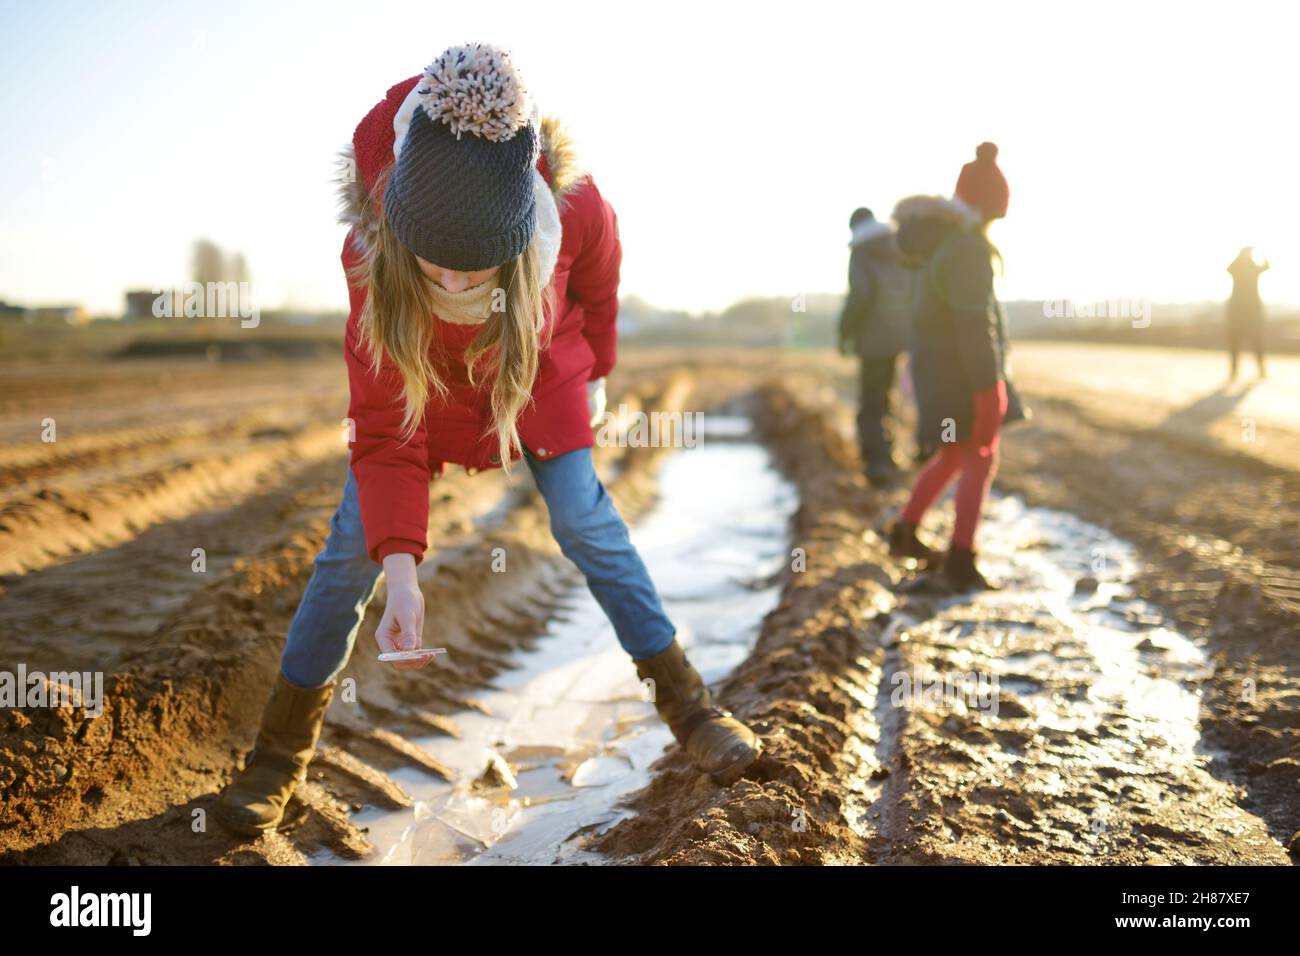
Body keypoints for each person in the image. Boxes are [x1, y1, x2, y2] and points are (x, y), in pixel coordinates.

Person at [215, 45, 761, 836]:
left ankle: (692, 707)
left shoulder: (575, 209)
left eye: (479, 272)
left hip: (538, 383)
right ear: (402, 221)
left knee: (585, 522)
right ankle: (275, 759)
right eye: (441, 268)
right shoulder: (372, 256)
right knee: (348, 554)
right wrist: (400, 570)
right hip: (426, 401)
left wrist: (598, 372)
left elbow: (601, 290)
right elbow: (381, 427)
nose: (460, 285)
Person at [886, 143, 1012, 591]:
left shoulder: (939, 245)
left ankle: (905, 529)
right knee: (979, 456)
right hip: (961, 376)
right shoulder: (967, 251)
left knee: (954, 453)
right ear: (987, 208)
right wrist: (987, 390)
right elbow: (974, 326)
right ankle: (960, 558)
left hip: (937, 373)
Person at [837, 208, 917, 487]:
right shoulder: (898, 244)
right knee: (888, 395)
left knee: (871, 401)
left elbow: (859, 295)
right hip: (902, 335)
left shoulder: (861, 253)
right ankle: (892, 454)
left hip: (872, 340)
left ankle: (876, 462)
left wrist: (845, 332)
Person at [1226, 246, 1270, 380]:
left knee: (1250, 341)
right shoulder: (1250, 268)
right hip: (1246, 310)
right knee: (1249, 341)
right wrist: (1261, 253)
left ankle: (1241, 371)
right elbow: (1266, 265)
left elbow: (1267, 266)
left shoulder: (1240, 268)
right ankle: (1240, 371)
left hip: (1240, 310)